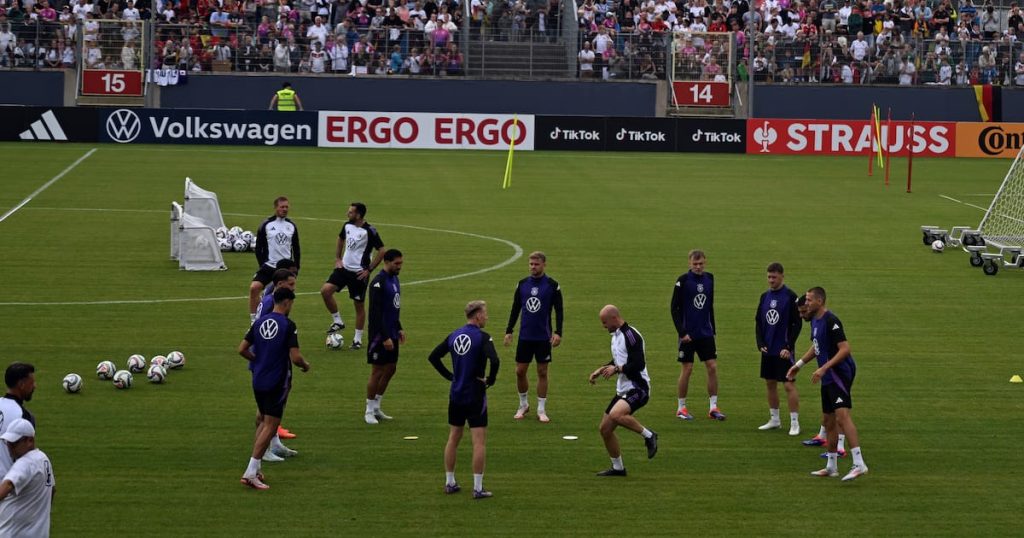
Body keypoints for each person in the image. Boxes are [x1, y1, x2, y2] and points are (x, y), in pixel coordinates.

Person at [787, 287, 868, 482]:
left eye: (808, 300)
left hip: (839, 374)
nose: (805, 303)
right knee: (828, 420)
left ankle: (859, 463)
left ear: (820, 301)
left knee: (842, 417)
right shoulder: (814, 320)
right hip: (828, 376)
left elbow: (845, 349)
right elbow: (817, 347)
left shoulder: (831, 321)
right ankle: (831, 466)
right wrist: (799, 364)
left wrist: (824, 368)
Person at [238, 288, 311, 490]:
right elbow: (295, 357)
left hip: (258, 378)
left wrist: (258, 360)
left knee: (263, 420)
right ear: (287, 302)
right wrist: (305, 365)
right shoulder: (288, 325)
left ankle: (257, 467)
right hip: (276, 380)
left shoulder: (260, 322)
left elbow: (241, 349)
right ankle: (250, 472)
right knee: (271, 425)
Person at [427, 300, 500, 499]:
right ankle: (477, 488)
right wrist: (490, 381)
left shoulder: (454, 335)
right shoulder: (483, 337)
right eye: (485, 313)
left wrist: (451, 376)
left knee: (453, 437)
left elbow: (433, 357)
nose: (487, 317)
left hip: (456, 393)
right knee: (479, 442)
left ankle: (450, 482)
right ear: (477, 316)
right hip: (475, 393)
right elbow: (495, 360)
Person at [589, 305, 658, 477]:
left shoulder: (631, 336)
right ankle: (618, 468)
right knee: (605, 429)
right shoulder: (616, 336)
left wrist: (617, 369)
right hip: (623, 390)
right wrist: (602, 368)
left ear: (614, 318)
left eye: (604, 322)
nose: (603, 326)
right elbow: (619, 358)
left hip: (638, 388)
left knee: (616, 415)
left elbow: (638, 364)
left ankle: (649, 436)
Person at [504, 251, 564, 423]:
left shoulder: (552, 285)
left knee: (542, 371)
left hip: (543, 336)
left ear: (544, 264)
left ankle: (541, 408)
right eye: (530, 264)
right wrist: (509, 330)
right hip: (525, 336)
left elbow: (559, 310)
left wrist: (558, 332)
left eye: (536, 264)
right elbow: (515, 308)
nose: (533, 267)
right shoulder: (522, 284)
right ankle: (523, 404)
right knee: (520, 371)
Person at [320, 202, 386, 350]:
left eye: (350, 212)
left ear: (358, 215)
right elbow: (340, 239)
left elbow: (382, 250)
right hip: (343, 269)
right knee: (325, 291)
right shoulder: (347, 226)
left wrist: (369, 269)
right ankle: (338, 321)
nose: (347, 214)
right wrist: (337, 258)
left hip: (359, 274)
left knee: (359, 306)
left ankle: (357, 340)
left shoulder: (370, 231)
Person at [671, 249, 725, 421]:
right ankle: (681, 408)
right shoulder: (683, 280)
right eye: (695, 264)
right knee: (687, 369)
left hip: (706, 332)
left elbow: (710, 306)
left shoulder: (710, 279)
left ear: (705, 262)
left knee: (712, 367)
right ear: (689, 263)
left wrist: (713, 330)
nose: (698, 267)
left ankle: (713, 407)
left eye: (701, 263)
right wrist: (682, 332)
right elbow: (674, 308)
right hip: (688, 334)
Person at [252, 268, 300, 458]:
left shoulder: (272, 300)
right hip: (266, 359)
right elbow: (262, 332)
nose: (293, 288)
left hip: (270, 358)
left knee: (278, 401)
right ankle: (263, 451)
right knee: (266, 408)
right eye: (291, 284)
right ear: (280, 284)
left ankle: (274, 443)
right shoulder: (271, 303)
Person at [754, 262, 802, 435]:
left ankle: (794, 422)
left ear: (782, 276)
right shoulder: (764, 297)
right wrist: (760, 343)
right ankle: (774, 419)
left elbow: (797, 323)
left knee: (788, 385)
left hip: (783, 350)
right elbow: (759, 322)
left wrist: (789, 346)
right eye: (769, 277)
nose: (771, 280)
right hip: (768, 349)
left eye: (774, 277)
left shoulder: (790, 297)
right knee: (770, 383)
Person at [364, 249, 405, 425]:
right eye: (396, 263)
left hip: (392, 332)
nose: (399, 267)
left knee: (391, 368)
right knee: (377, 371)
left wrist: (399, 327)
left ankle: (377, 406)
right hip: (379, 336)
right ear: (386, 262)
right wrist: (385, 337)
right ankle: (368, 410)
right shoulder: (378, 283)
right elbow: (375, 314)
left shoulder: (394, 279)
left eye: (401, 263)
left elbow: (392, 308)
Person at [250, 197, 301, 323]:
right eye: (282, 207)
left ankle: (282, 320)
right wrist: (262, 264)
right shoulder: (266, 224)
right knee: (254, 288)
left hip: (285, 269)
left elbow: (296, 248)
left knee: (286, 296)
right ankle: (254, 321)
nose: (284, 209)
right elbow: (259, 247)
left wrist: (296, 268)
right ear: (276, 208)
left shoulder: (291, 226)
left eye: (286, 207)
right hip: (269, 266)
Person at [0, 419, 54, 537]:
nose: (9, 447)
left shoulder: (25, 463)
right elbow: (52, 490)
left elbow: (8, 484)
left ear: (30, 441)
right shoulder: (43, 459)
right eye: (8, 442)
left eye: (14, 443)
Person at [0, 363, 37, 477]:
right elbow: (26, 456)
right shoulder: (24, 416)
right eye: (32, 383)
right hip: (7, 485)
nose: (35, 386)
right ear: (21, 384)